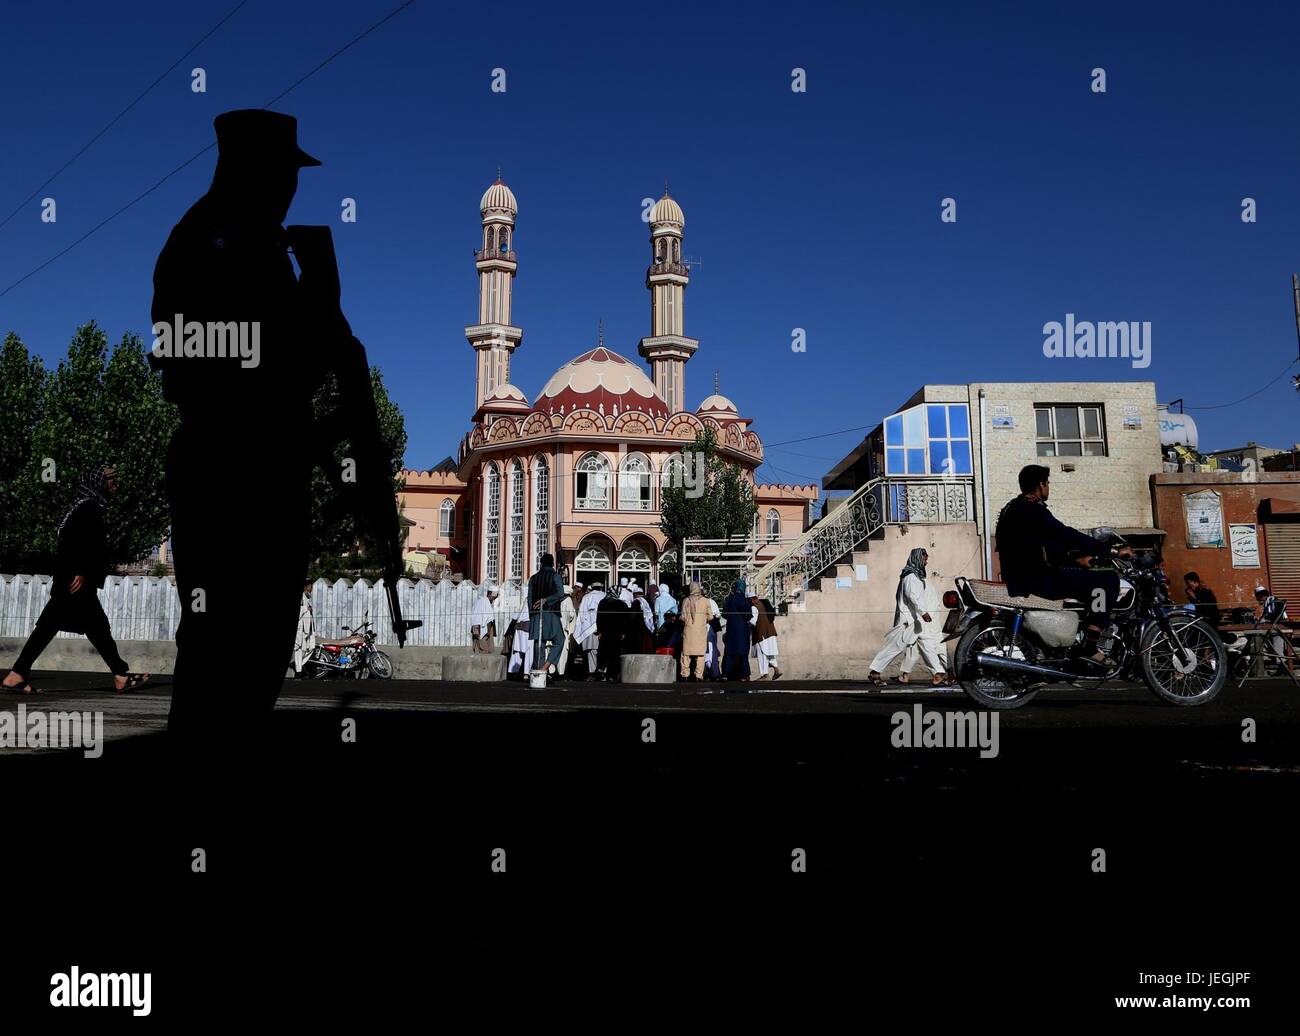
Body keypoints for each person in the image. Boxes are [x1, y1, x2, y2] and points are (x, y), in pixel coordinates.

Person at [150, 109, 334, 735]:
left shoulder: (263, 245)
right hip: (228, 459)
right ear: (249, 171)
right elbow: (178, 347)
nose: (291, 188)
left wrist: (316, 307)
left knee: (262, 636)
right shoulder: (207, 240)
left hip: (269, 459)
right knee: (223, 634)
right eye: (284, 173)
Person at [4, 467, 151, 695]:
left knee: (88, 627)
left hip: (73, 579)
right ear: (98, 483)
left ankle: (17, 674)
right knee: (83, 627)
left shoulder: (85, 507)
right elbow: (77, 543)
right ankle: (120, 675)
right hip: (76, 581)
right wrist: (81, 570)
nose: (115, 486)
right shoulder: (89, 508)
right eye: (111, 482)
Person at [994, 464, 1130, 665]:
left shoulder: (1013, 507)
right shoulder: (1032, 509)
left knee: (1085, 577)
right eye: (1047, 483)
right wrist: (1109, 550)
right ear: (1041, 485)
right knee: (1106, 580)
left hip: (1020, 575)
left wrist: (1075, 560)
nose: (1048, 487)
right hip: (1034, 578)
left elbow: (1044, 544)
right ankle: (1091, 646)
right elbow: (1064, 533)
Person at [867, 548, 935, 686]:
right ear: (917, 558)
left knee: (926, 645)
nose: (926, 562)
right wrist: (923, 612)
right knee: (895, 646)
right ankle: (875, 671)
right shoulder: (910, 576)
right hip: (908, 620)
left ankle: (937, 673)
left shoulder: (914, 575)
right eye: (924, 559)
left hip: (915, 620)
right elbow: (912, 596)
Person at [897, 574, 949, 686]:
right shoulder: (927, 584)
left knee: (927, 645)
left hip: (925, 619)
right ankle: (905, 675)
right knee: (913, 646)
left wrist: (923, 615)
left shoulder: (918, 584)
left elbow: (916, 601)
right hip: (929, 619)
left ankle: (938, 672)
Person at [527, 553, 567, 676]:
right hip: (551, 613)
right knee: (560, 640)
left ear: (541, 563)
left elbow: (529, 599)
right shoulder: (555, 576)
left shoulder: (533, 578)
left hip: (535, 614)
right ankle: (545, 667)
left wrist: (532, 614)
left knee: (539, 643)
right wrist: (546, 600)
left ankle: (539, 671)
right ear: (553, 564)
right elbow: (560, 594)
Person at [721, 578, 754, 684]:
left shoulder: (729, 599)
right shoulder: (745, 600)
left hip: (731, 628)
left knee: (729, 652)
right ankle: (744, 675)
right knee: (743, 653)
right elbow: (749, 616)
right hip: (742, 630)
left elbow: (724, 614)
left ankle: (726, 674)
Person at [680, 582, 712, 681]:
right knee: (700, 654)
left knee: (686, 654)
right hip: (700, 631)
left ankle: (685, 675)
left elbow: (682, 617)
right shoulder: (706, 601)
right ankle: (698, 675)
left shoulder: (686, 600)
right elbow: (710, 616)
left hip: (688, 631)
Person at [596, 588, 629, 681]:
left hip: (605, 632)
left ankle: (601, 669)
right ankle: (612, 674)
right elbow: (625, 620)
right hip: (617, 632)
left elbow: (599, 618)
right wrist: (623, 632)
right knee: (614, 653)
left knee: (604, 651)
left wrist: (600, 631)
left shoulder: (602, 603)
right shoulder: (622, 604)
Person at [574, 581, 604, 677]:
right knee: (602, 650)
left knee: (591, 651)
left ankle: (593, 671)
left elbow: (582, 614)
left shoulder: (587, 597)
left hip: (589, 628)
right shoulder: (605, 596)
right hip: (602, 627)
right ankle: (602, 671)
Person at [750, 593, 782, 681]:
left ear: (751, 599)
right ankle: (776, 670)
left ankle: (765, 674)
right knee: (769, 652)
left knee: (762, 654)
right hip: (771, 632)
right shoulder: (764, 604)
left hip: (762, 634)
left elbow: (753, 621)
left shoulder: (754, 607)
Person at [291, 580, 315, 678]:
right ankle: (299, 670)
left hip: (307, 629)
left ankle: (297, 665)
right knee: (299, 649)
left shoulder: (307, 598)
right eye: (310, 586)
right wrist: (306, 609)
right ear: (305, 587)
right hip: (300, 629)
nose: (311, 589)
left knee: (310, 648)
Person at [471, 581, 500, 653]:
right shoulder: (482, 601)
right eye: (493, 597)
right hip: (482, 629)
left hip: (488, 630)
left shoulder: (488, 602)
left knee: (488, 649)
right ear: (489, 594)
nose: (494, 599)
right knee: (482, 649)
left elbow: (490, 618)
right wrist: (476, 629)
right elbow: (476, 617)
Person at [506, 600, 532, 677]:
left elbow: (516, 615)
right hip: (528, 627)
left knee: (517, 650)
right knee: (529, 651)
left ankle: (512, 671)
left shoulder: (525, 601)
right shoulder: (532, 600)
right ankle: (527, 672)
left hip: (519, 626)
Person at [632, 583, 655, 653]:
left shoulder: (636, 602)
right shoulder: (649, 602)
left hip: (639, 627)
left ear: (634, 594)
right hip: (648, 627)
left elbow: (633, 616)